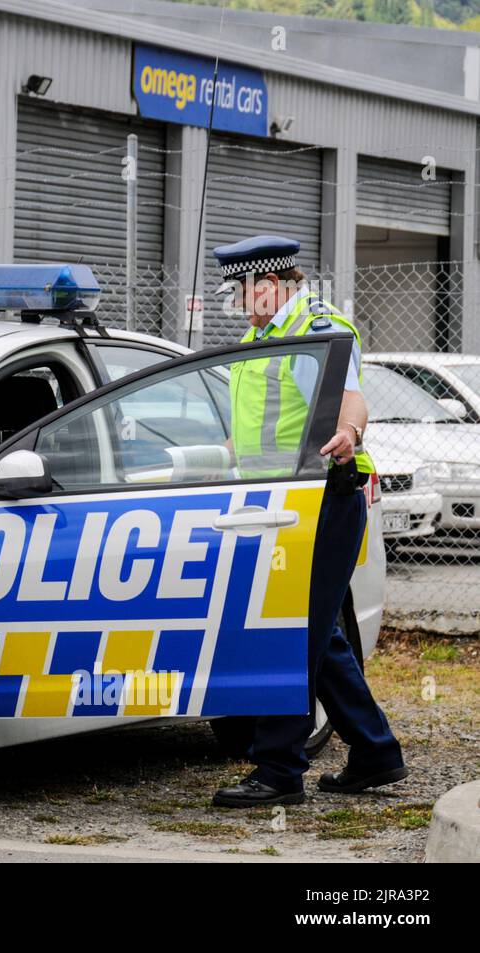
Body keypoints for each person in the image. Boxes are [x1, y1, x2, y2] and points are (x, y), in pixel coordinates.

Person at [209, 235, 408, 807]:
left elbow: (351, 398)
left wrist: (352, 434)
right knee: (322, 633)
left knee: (293, 631)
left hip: (324, 497)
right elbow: (258, 426)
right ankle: (375, 752)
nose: (241, 306)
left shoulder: (320, 328)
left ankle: (278, 770)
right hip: (281, 501)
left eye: (244, 294)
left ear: (270, 286)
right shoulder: (262, 335)